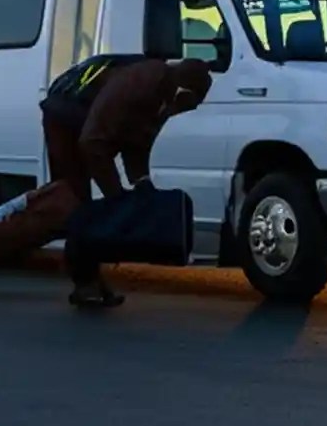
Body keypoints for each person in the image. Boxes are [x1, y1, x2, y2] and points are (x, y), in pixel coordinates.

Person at [39, 53, 214, 307]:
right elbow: (93, 142)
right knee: (79, 204)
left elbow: (137, 143)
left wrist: (142, 184)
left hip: (86, 123)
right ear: (185, 93)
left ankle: (89, 280)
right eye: (190, 105)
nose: (186, 111)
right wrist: (116, 197)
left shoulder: (163, 96)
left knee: (91, 209)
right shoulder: (139, 82)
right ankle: (85, 283)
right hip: (64, 120)